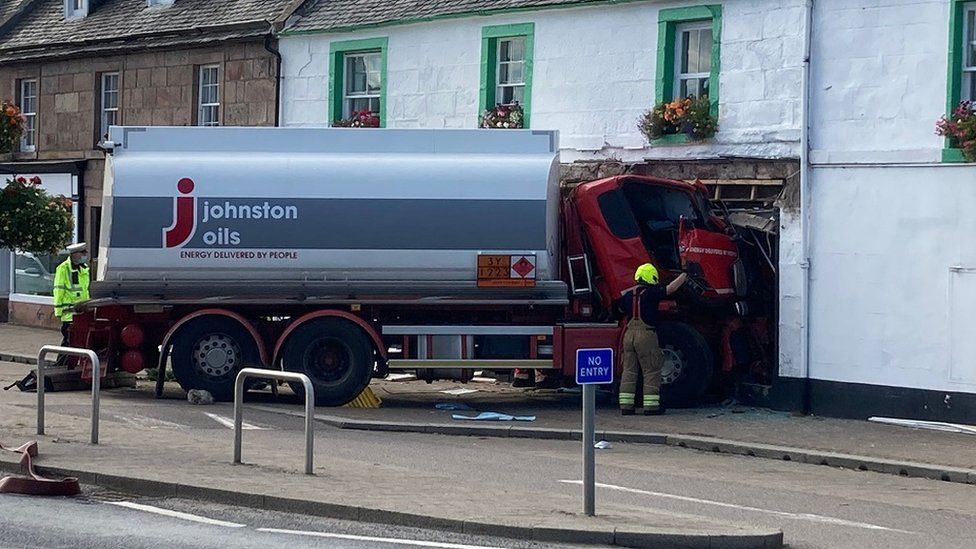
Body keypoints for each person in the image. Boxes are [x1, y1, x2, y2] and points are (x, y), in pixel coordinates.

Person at [618, 263, 688, 416]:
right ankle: (651, 407)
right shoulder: (651, 293)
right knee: (651, 370)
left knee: (629, 371)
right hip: (646, 335)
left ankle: (626, 406)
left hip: (629, 335)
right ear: (652, 277)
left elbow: (620, 307)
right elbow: (670, 289)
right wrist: (684, 275)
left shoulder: (629, 295)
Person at [53, 242, 90, 349]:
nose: (84, 256)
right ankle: (61, 364)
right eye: (82, 253)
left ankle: (65, 364)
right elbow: (59, 290)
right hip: (69, 314)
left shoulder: (84, 269)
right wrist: (58, 312)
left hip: (82, 313)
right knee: (69, 342)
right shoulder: (63, 268)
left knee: (77, 342)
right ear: (74, 254)